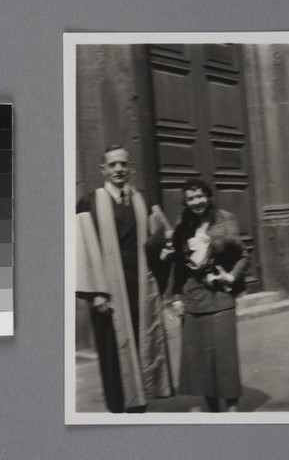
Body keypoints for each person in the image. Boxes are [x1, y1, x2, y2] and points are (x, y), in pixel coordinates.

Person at [76, 145, 173, 413]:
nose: (118, 169)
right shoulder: (88, 203)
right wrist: (94, 292)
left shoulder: (143, 199)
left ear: (131, 167)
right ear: (103, 170)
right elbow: (81, 250)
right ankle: (118, 410)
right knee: (112, 351)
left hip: (139, 287)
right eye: (112, 165)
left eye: (123, 164)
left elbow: (162, 237)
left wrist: (161, 269)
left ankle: (139, 403)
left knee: (141, 346)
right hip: (106, 290)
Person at [171, 177, 249, 412]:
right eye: (191, 198)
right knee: (201, 360)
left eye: (200, 196)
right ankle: (213, 409)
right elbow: (178, 266)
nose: (197, 202)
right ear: (185, 202)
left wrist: (232, 277)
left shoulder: (225, 221)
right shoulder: (183, 225)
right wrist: (176, 298)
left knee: (224, 358)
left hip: (220, 298)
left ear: (209, 197)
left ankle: (232, 408)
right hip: (193, 298)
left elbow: (244, 256)